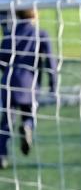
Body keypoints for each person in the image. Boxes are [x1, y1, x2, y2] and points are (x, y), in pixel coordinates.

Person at [0, 9, 55, 170]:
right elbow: (50, 61)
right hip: (29, 84)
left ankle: (1, 155)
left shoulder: (10, 34)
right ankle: (28, 127)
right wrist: (53, 85)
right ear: (35, 14)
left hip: (9, 83)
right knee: (29, 114)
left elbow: (1, 58)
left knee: (6, 121)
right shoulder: (40, 34)